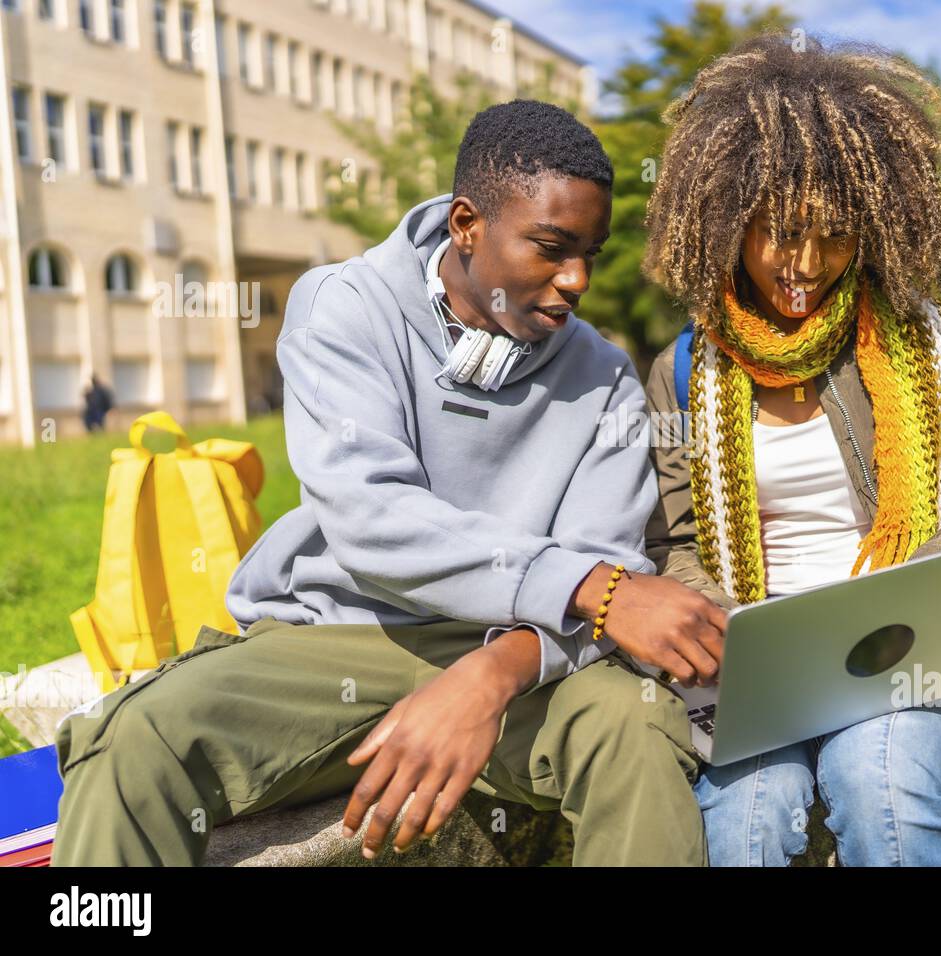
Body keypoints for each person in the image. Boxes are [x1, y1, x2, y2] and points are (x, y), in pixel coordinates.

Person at [51, 100, 728, 867]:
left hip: (520, 652)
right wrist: (594, 587)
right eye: (551, 247)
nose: (575, 280)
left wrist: (491, 672)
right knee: (132, 740)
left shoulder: (602, 375)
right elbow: (373, 518)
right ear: (467, 223)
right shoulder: (343, 307)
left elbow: (605, 563)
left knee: (636, 729)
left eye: (592, 253)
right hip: (339, 633)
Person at [640, 35, 941, 866]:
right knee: (747, 819)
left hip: (912, 664)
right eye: (780, 233)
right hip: (758, 680)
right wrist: (732, 634)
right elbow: (672, 545)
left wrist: (919, 586)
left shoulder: (923, 342)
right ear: (726, 220)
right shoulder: (679, 373)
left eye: (834, 236)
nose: (806, 264)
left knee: (877, 778)